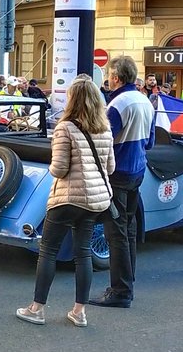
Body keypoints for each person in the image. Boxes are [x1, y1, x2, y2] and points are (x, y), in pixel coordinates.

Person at [16, 77, 115, 328]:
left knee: (48, 250)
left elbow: (59, 169)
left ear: (72, 100)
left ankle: (37, 309)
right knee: (82, 253)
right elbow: (110, 167)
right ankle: (79, 311)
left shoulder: (65, 127)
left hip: (67, 199)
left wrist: (51, 165)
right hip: (95, 200)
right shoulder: (105, 128)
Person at [90, 55, 154, 309]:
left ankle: (120, 290)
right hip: (137, 170)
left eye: (108, 74)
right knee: (127, 229)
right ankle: (127, 281)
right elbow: (149, 142)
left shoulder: (117, 104)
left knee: (115, 233)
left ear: (116, 77)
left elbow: (104, 141)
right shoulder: (144, 101)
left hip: (118, 173)